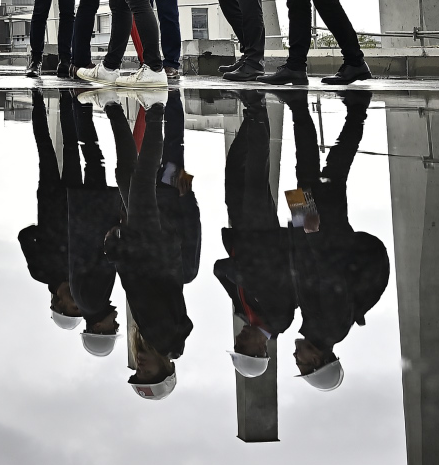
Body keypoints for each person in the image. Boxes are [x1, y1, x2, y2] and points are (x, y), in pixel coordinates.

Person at [287, 89, 390, 390]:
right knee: (321, 167)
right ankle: (339, 109)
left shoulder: (323, 326)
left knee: (327, 167)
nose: (296, 356)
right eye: (303, 363)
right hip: (320, 227)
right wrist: (302, 219)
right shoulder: (329, 325)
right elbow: (324, 268)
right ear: (319, 358)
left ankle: (346, 111)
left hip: (314, 228)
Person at [105, 89, 199, 400]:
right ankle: (157, 104)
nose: (140, 365)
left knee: (131, 175)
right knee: (145, 173)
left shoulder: (154, 333)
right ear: (165, 368)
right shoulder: (163, 335)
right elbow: (144, 283)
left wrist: (119, 251)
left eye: (137, 371)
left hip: (148, 241)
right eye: (146, 371)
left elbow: (137, 284)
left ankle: (120, 108)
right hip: (153, 241)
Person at [211, 89, 296, 380]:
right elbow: (262, 277)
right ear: (261, 349)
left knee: (234, 170)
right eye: (242, 345)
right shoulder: (280, 318)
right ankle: (258, 110)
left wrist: (238, 271)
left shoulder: (243, 311)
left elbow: (221, 270)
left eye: (236, 344)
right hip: (263, 234)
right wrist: (240, 272)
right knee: (256, 173)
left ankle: (251, 116)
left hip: (241, 231)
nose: (238, 339)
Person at [66, 88, 128, 358]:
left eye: (112, 327)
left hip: (93, 214)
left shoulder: (92, 301)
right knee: (92, 158)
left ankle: (82, 109)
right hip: (87, 215)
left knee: (93, 157)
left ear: (99, 328)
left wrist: (121, 250)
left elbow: (101, 261)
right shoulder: (89, 302)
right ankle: (81, 111)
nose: (116, 322)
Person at [18, 88, 80, 326]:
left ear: (58, 303)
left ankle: (37, 101)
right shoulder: (78, 274)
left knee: (45, 147)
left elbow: (24, 237)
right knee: (72, 147)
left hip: (50, 201)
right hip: (74, 201)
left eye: (73, 306)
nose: (77, 300)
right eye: (79, 306)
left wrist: (43, 231)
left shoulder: (40, 273)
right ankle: (67, 98)